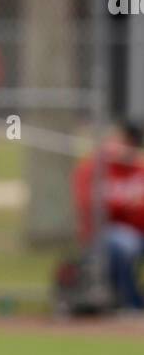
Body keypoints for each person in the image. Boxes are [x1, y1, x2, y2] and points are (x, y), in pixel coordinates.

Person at [72, 122, 144, 310]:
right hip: (106, 233)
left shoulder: (139, 169)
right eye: (121, 140)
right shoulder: (93, 168)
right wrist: (128, 205)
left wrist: (131, 207)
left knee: (130, 241)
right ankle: (131, 304)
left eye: (131, 143)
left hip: (138, 230)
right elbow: (90, 206)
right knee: (124, 245)